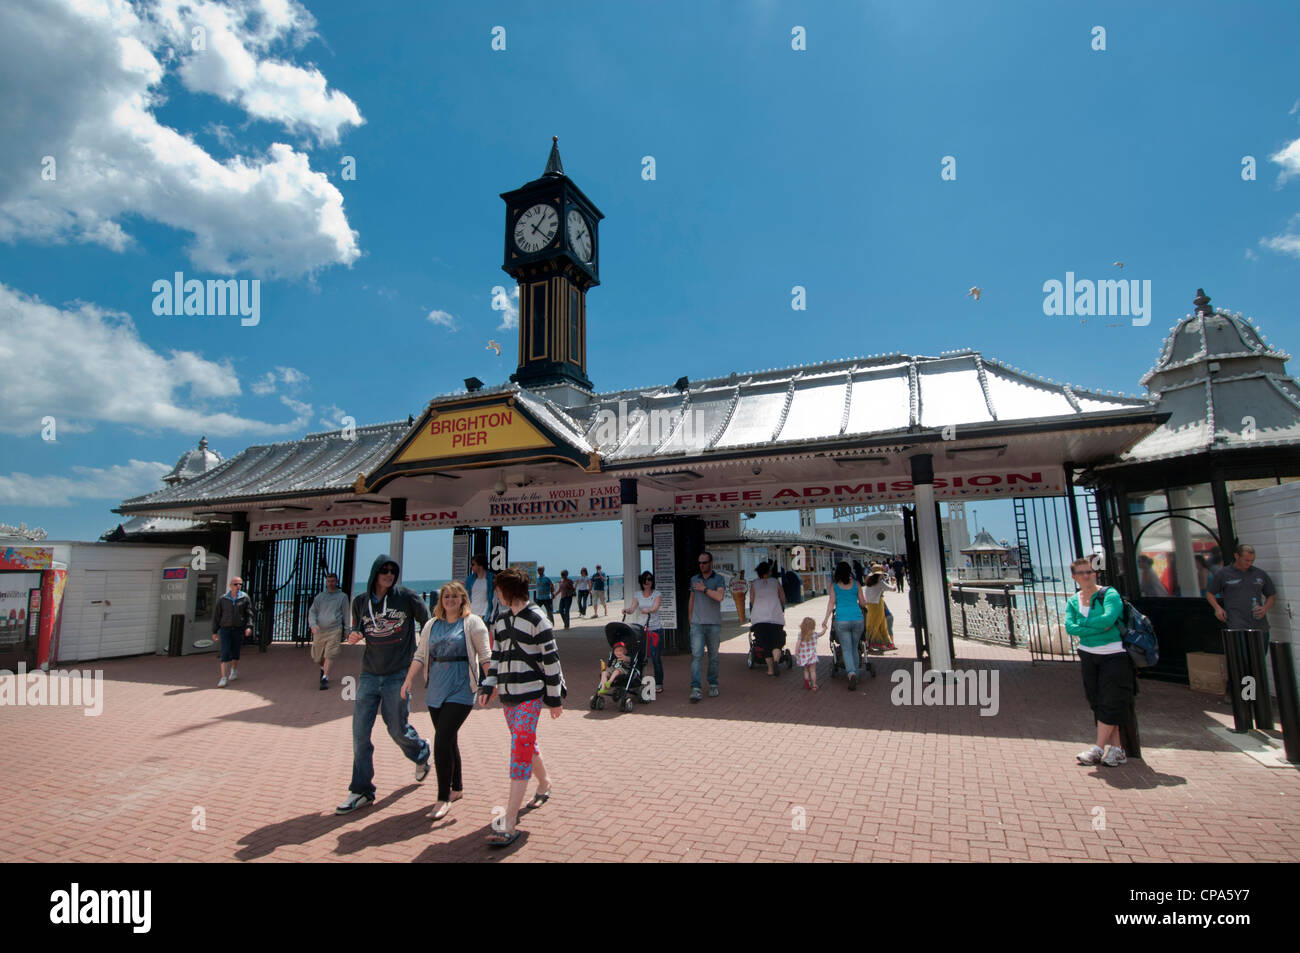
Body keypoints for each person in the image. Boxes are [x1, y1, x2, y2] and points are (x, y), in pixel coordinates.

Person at [335, 555, 432, 815]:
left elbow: (429, 623)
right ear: (375, 573)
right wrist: (354, 634)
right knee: (360, 734)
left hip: (398, 674)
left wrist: (423, 655)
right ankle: (361, 790)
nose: (389, 575)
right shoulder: (360, 601)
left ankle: (421, 751)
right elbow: (359, 629)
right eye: (384, 571)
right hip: (369, 674)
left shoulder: (407, 597)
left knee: (397, 729)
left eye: (393, 571)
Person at [476, 567, 564, 847]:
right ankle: (545, 782)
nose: (496, 594)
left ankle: (510, 821)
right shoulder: (500, 620)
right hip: (508, 696)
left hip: (530, 695)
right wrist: (489, 685)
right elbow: (497, 657)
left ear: (509, 591)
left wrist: (553, 698)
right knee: (523, 742)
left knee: (520, 749)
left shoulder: (539, 619)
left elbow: (551, 661)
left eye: (498, 589)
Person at [402, 581, 491, 821]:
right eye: (446, 597)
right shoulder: (432, 625)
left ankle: (442, 798)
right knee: (448, 739)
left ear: (463, 599)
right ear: (441, 601)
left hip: (462, 688)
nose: (450, 600)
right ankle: (457, 787)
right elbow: (420, 655)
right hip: (436, 690)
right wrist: (409, 679)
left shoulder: (472, 623)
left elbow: (485, 655)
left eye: (455, 596)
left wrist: (491, 684)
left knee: (441, 740)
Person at [1064, 557, 1133, 767]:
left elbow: (1108, 619)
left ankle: (1098, 748)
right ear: (1075, 577)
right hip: (1088, 654)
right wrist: (1095, 626)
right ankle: (1118, 750)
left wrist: (1084, 624)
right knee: (1097, 700)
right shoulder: (1073, 601)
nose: (1087, 575)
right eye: (1082, 573)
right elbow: (1070, 627)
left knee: (1110, 699)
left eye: (1090, 572)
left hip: (1113, 654)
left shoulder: (1109, 594)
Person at [1207, 544, 1276, 637]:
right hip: (1236, 624)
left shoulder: (1260, 574)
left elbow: (1271, 595)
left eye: (1252, 561)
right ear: (1236, 556)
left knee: (1260, 651)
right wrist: (1217, 608)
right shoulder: (1223, 574)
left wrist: (1265, 608)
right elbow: (1210, 593)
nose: (1249, 563)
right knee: (1242, 651)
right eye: (1246, 560)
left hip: (1259, 625)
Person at [820, 561, 867, 691]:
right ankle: (856, 674)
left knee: (846, 649)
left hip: (841, 620)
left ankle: (851, 673)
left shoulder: (834, 586)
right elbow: (863, 603)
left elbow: (831, 603)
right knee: (854, 647)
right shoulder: (856, 584)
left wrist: (825, 619)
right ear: (849, 571)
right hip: (857, 619)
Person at [688, 551, 728, 702]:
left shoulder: (719, 579)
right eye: (699, 563)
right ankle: (695, 688)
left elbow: (719, 597)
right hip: (697, 624)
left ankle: (712, 684)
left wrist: (704, 589)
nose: (701, 565)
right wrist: (690, 619)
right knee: (696, 656)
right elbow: (691, 599)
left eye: (704, 562)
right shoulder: (694, 579)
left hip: (713, 624)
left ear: (711, 563)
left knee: (714, 657)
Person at [308, 572, 350, 690]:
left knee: (329, 655)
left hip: (335, 629)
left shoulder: (342, 597)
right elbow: (312, 611)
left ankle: (325, 678)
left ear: (337, 582)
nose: (330, 584)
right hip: (320, 630)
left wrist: (347, 629)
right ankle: (323, 669)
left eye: (333, 581)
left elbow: (346, 613)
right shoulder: (320, 597)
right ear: (326, 583)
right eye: (328, 581)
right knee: (318, 657)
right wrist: (313, 624)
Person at [624, 571, 664, 691]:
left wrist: (649, 610)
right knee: (640, 655)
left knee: (655, 656)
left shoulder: (657, 594)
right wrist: (627, 610)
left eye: (650, 579)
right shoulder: (638, 594)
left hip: (654, 628)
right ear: (641, 582)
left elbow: (655, 607)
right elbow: (632, 608)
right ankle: (639, 680)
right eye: (645, 580)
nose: (647, 582)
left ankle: (659, 682)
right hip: (641, 628)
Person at [212, 576, 253, 688]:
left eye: (240, 584)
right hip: (225, 628)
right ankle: (223, 677)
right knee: (225, 652)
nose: (238, 586)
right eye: (235, 584)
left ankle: (234, 669)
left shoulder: (244, 598)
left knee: (235, 651)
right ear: (230, 585)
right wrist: (215, 631)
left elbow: (248, 614)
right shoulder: (223, 599)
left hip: (238, 628)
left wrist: (248, 627)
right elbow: (217, 616)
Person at [748, 561, 787, 677]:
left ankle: (770, 669)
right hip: (775, 617)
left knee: (765, 644)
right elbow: (782, 597)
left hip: (759, 618)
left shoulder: (754, 584)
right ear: (769, 571)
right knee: (776, 642)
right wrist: (782, 607)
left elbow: (752, 600)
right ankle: (776, 660)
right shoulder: (775, 582)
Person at [863, 563, 896, 654]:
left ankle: (875, 644)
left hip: (870, 606)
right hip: (878, 606)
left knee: (871, 625)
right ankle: (876, 644)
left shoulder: (868, 584)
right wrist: (894, 582)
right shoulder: (880, 583)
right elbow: (893, 589)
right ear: (879, 574)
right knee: (880, 624)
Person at [465, 553, 495, 622]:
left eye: (473, 564)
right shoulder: (470, 579)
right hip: (471, 614)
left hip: (485, 615)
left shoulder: (491, 579)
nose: (471, 567)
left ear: (480, 565)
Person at [795, 617, 820, 691]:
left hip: (804, 656)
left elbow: (798, 644)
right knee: (813, 671)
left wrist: (796, 652)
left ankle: (807, 681)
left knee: (806, 670)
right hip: (812, 656)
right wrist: (825, 629)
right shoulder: (814, 634)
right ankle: (814, 685)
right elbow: (821, 633)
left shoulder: (801, 635)